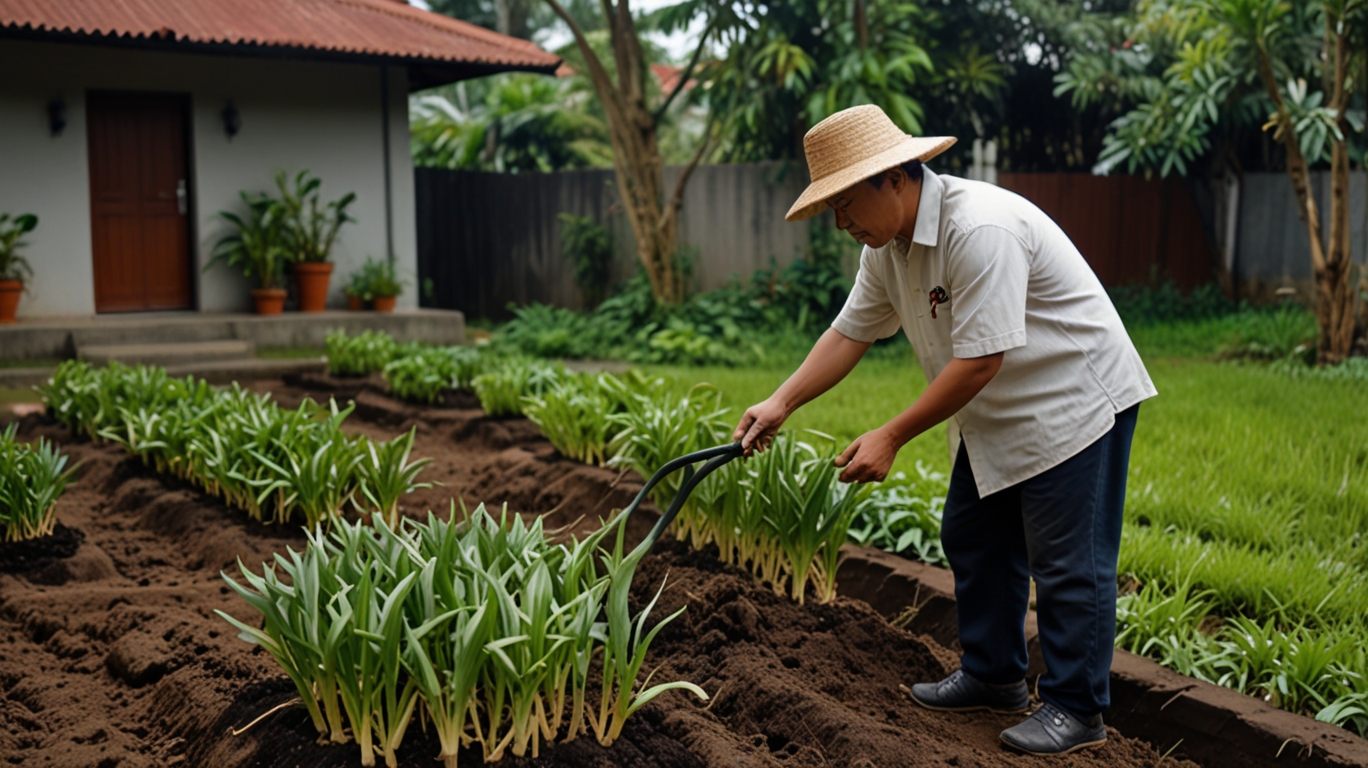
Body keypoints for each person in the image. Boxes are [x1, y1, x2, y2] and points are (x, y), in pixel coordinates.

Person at [732, 104, 1156, 756]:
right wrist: (780, 402)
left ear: (895, 178)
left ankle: (1077, 709)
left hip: (1073, 401)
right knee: (974, 535)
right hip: (996, 407)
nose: (841, 222)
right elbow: (849, 333)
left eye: (845, 204)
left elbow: (982, 360)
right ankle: (994, 676)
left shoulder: (979, 228)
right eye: (832, 209)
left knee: (1067, 564)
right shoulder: (887, 249)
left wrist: (892, 435)